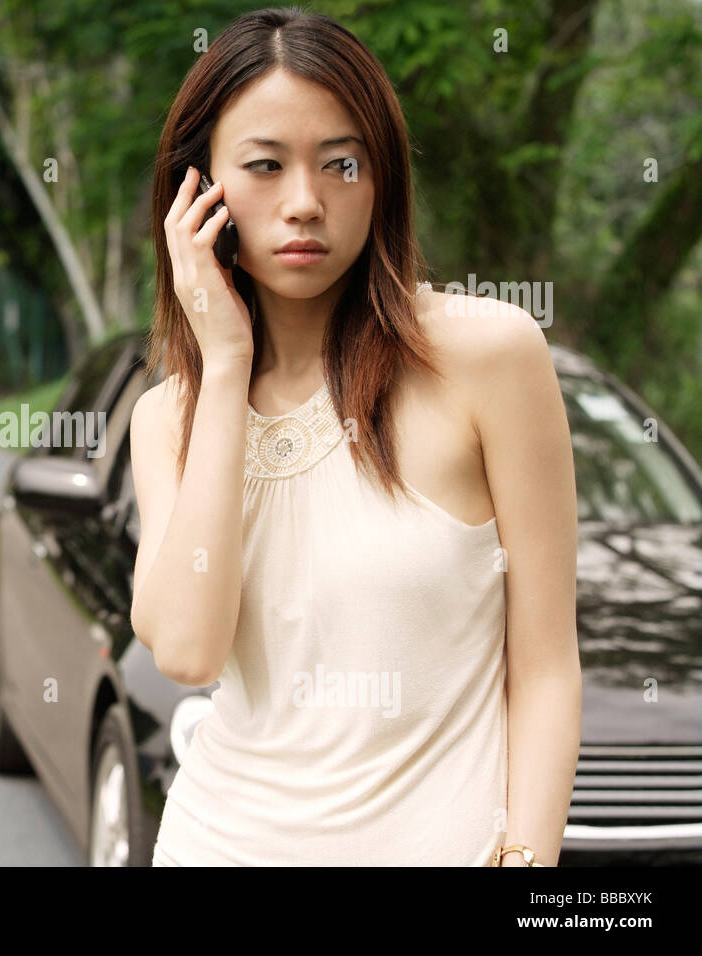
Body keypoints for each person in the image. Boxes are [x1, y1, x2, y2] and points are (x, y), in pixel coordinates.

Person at [129, 6, 581, 866]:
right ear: (198, 192)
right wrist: (225, 367)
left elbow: (548, 664)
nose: (305, 203)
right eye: (264, 166)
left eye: (341, 163)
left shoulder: (488, 356)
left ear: (381, 182)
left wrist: (530, 863)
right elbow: (187, 651)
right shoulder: (170, 418)